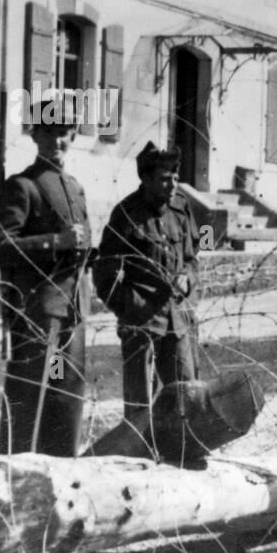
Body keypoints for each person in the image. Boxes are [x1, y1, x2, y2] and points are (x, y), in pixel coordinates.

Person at [0, 115, 91, 457]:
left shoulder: (74, 188)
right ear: (35, 136)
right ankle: (13, 470)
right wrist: (54, 241)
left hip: (71, 311)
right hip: (38, 311)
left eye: (65, 134)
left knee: (63, 392)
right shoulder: (23, 187)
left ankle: (59, 472)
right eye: (50, 134)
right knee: (29, 392)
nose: (58, 142)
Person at [94, 142, 203, 417]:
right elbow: (104, 273)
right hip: (141, 322)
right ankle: (141, 454)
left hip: (177, 320)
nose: (173, 184)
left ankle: (180, 451)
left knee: (186, 392)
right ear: (146, 178)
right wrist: (130, 307)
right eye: (165, 179)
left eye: (176, 177)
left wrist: (187, 279)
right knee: (140, 405)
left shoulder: (181, 209)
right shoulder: (126, 213)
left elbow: (193, 258)